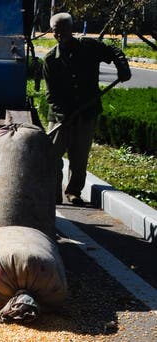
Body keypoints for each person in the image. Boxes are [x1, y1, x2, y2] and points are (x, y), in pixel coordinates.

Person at [43, 12, 131, 206]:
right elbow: (51, 94)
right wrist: (63, 115)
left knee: (79, 156)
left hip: (86, 113)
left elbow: (113, 51)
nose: (59, 34)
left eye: (63, 30)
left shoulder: (89, 47)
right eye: (56, 31)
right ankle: (53, 191)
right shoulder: (50, 60)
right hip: (61, 116)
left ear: (71, 30)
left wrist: (122, 67)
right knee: (52, 156)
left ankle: (73, 191)